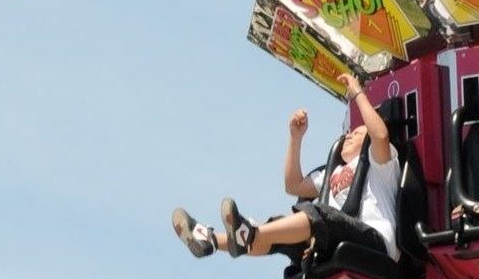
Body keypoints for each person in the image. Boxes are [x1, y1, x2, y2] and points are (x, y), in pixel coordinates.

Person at [171, 73, 402, 264]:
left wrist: (357, 94)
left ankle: (248, 234)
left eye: (357, 133)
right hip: (337, 239)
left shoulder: (380, 163)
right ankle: (209, 241)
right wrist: (295, 137)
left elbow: (379, 134)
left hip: (375, 241)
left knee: (317, 215)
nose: (349, 135)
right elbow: (293, 185)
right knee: (283, 232)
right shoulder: (330, 174)